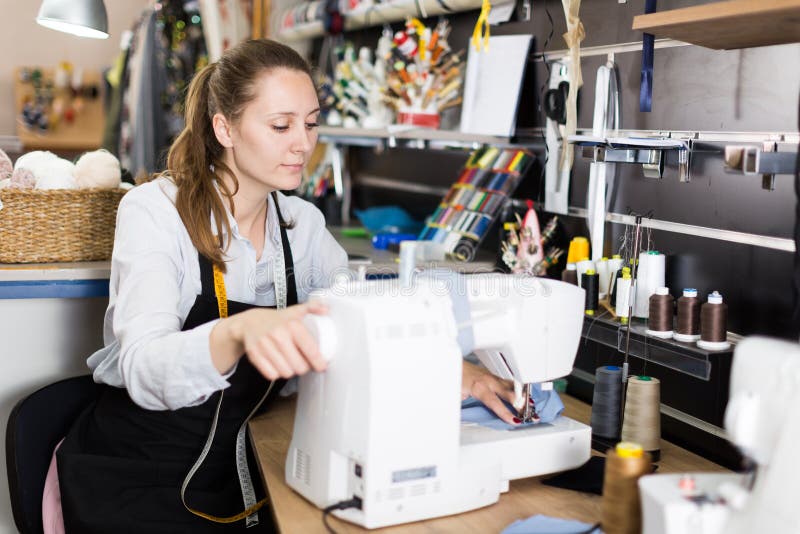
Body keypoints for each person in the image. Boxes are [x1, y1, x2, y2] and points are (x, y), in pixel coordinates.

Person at [53, 39, 519, 534]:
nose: (303, 143)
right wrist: (236, 332)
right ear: (224, 128)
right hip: (139, 473)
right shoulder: (155, 212)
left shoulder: (302, 226)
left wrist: (454, 370)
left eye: (311, 123)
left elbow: (362, 324)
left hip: (243, 470)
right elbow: (144, 369)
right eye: (281, 125)